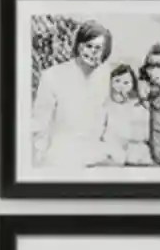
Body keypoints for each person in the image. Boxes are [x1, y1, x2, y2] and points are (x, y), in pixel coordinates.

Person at [31, 21, 114, 169]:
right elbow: (40, 124)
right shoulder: (53, 75)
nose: (92, 52)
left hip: (95, 158)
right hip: (59, 159)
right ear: (78, 45)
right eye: (88, 46)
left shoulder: (105, 77)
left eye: (98, 48)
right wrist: (38, 159)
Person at [100, 64, 153, 166]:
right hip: (113, 153)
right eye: (117, 81)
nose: (121, 86)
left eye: (126, 83)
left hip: (135, 154)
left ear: (132, 86)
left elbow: (144, 134)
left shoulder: (138, 107)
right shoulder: (106, 106)